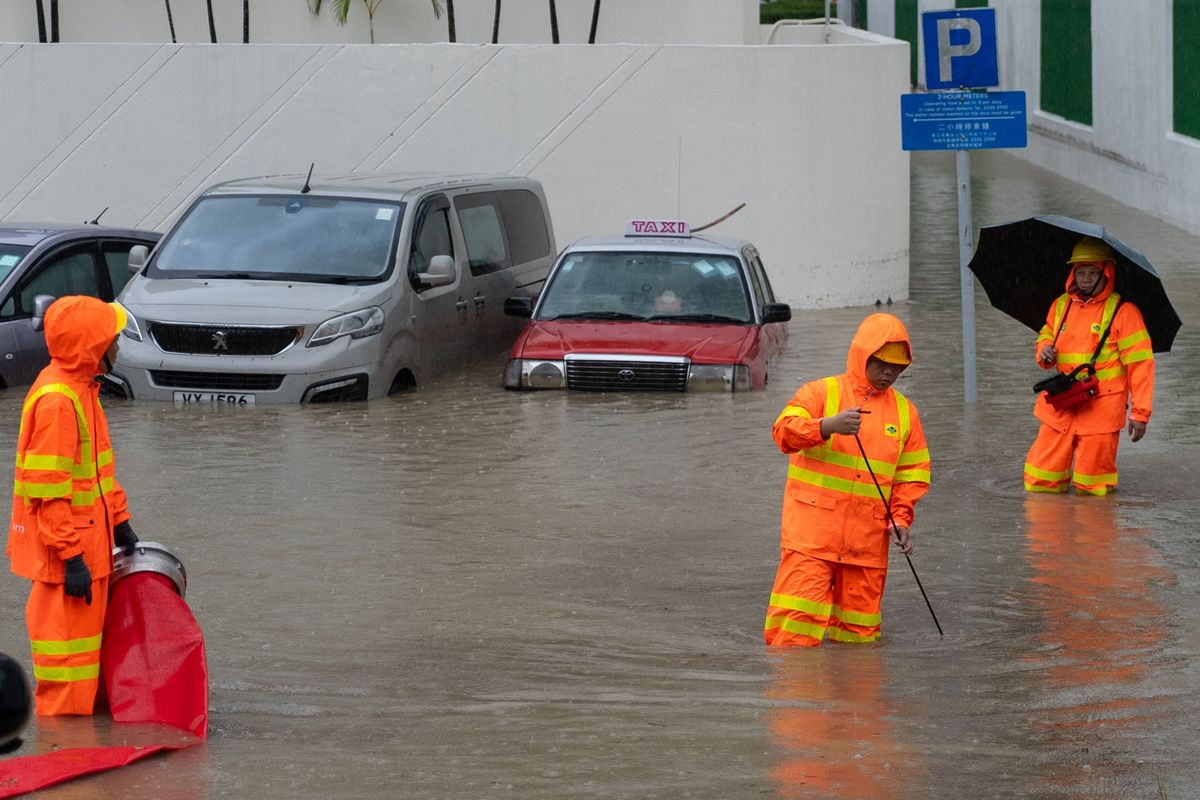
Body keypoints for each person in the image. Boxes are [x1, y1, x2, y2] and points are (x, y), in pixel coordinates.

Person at [764, 313, 930, 647]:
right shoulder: (820, 393)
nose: (889, 373)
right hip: (811, 542)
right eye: (882, 364)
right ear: (862, 355)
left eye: (897, 368)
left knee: (859, 650)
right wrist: (826, 426)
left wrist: (900, 520)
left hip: (866, 549)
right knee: (792, 643)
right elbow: (783, 433)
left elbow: (911, 478)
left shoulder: (905, 413)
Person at [7, 296, 138, 715]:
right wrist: (71, 558)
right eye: (113, 338)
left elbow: (98, 474)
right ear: (92, 345)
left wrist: (120, 521)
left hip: (87, 553)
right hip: (68, 562)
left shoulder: (83, 391)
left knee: (86, 676)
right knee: (66, 685)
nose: (118, 346)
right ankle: (64, 760)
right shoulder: (59, 401)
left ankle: (84, 753)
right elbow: (47, 492)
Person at [1024, 236, 1155, 495]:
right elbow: (1046, 334)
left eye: (1092, 272)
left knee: (1094, 489)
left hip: (1101, 408)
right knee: (1041, 481)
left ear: (1107, 272)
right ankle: (1046, 534)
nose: (1084, 278)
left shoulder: (1124, 312)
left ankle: (1094, 535)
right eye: (1079, 271)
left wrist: (1140, 414)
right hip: (1061, 403)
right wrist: (1045, 351)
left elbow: (1140, 366)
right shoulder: (1061, 305)